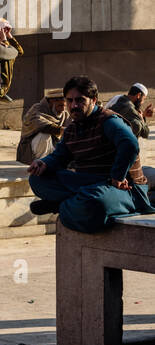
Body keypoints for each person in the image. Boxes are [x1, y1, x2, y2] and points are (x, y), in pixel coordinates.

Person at [28, 75, 155, 232]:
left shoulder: (109, 120)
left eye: (80, 100)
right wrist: (44, 163)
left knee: (94, 204)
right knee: (37, 179)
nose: (74, 105)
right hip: (88, 182)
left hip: (121, 188)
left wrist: (117, 176)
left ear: (94, 100)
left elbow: (130, 144)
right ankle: (74, 202)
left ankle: (62, 205)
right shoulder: (73, 129)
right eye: (70, 101)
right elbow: (59, 156)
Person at [17, 88, 68, 164]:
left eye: (64, 103)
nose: (63, 109)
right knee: (44, 134)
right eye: (60, 104)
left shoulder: (65, 114)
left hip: (54, 146)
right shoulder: (37, 108)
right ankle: (40, 163)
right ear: (51, 101)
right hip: (31, 149)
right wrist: (61, 130)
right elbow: (40, 124)